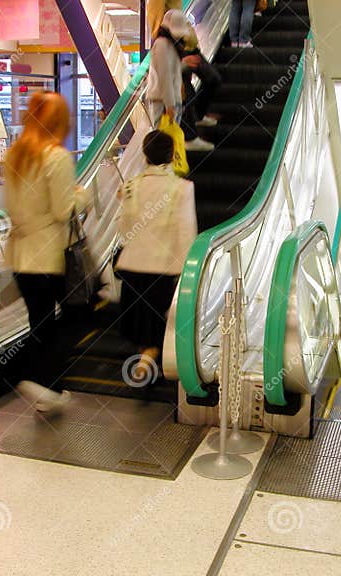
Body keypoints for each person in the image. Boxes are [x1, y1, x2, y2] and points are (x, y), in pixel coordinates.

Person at [4, 91, 89, 412]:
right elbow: (62, 210)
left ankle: (44, 388)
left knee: (40, 320)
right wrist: (84, 195)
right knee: (74, 316)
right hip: (49, 256)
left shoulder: (16, 155)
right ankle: (38, 380)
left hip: (20, 256)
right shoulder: (56, 157)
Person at [115, 130, 197, 377]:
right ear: (172, 155)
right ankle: (148, 359)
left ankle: (145, 358)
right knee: (157, 322)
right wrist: (188, 269)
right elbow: (186, 230)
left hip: (133, 266)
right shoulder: (183, 188)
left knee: (141, 322)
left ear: (145, 154)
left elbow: (123, 227)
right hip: (163, 268)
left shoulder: (131, 185)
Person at [147, 9, 214, 152]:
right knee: (163, 141)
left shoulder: (169, 44)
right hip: (163, 101)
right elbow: (164, 77)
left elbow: (169, 70)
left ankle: (167, 169)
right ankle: (164, 170)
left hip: (170, 99)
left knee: (168, 142)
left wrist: (183, 64)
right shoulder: (162, 45)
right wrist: (170, 104)